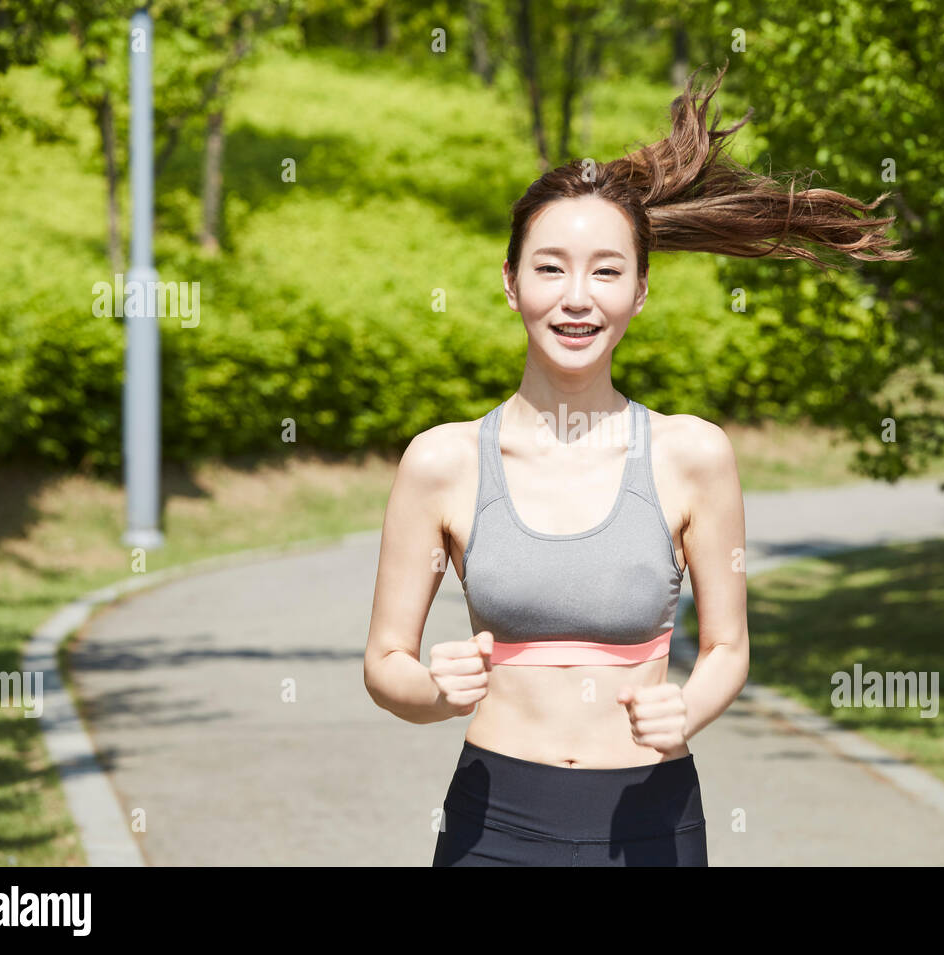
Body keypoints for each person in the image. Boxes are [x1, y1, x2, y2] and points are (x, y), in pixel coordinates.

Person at [363, 61, 909, 867]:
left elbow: (728, 648)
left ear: (641, 292)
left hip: (651, 823)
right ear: (511, 283)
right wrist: (435, 693)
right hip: (495, 825)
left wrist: (687, 709)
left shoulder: (693, 456)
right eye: (550, 268)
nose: (576, 297)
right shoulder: (442, 462)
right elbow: (384, 665)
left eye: (606, 271)